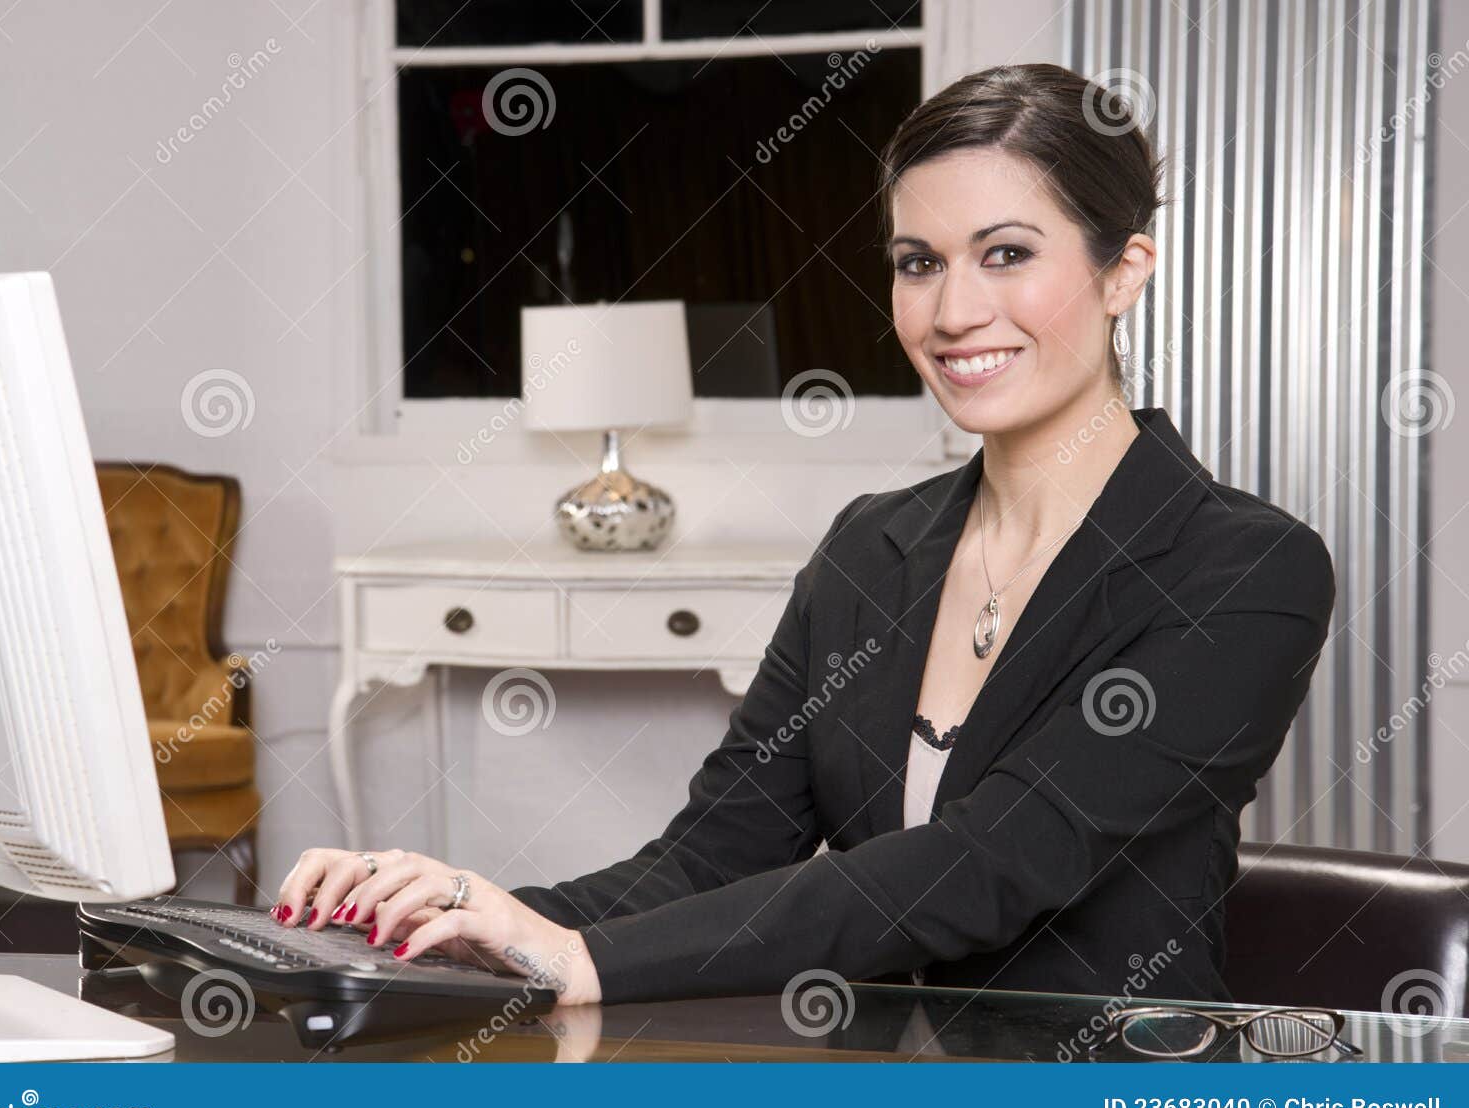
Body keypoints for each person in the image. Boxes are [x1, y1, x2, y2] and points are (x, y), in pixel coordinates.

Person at [271, 62, 1335, 1008]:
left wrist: (584, 961)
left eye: (1005, 253)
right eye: (918, 262)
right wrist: (468, 914)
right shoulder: (869, 548)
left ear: (1123, 270)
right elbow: (712, 861)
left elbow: (986, 868)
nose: (953, 310)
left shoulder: (1244, 569)